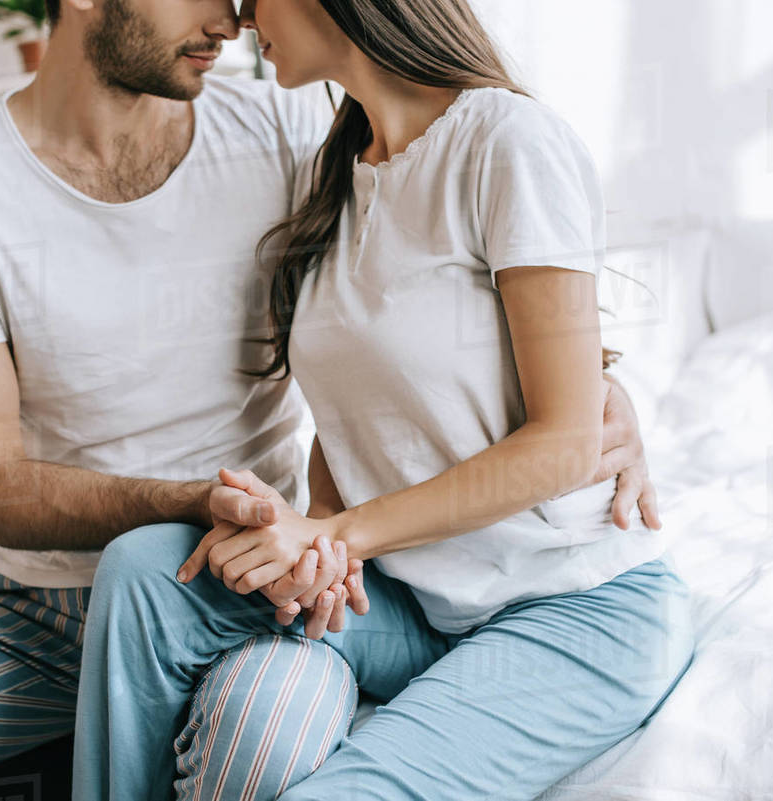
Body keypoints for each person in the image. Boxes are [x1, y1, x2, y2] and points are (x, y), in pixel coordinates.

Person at [0, 0, 658, 799]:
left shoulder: (295, 127)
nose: (232, 17)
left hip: (259, 592)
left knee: (262, 745)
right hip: (47, 606)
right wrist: (193, 502)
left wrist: (599, 394)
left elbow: (453, 292)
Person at [71, 1, 694, 799]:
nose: (239, 12)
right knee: (144, 570)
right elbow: (356, 410)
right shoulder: (341, 174)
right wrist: (327, 551)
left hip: (574, 607)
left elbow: (567, 440)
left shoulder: (508, 142)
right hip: (411, 603)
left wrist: (336, 529)